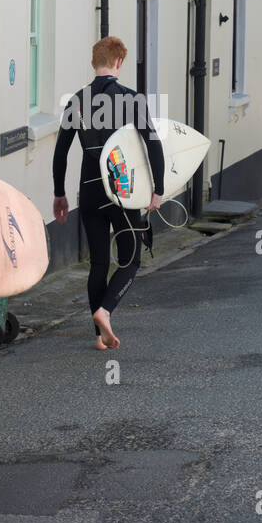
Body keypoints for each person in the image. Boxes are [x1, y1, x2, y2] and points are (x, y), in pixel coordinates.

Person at [53, 37, 165, 350]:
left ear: (94, 62)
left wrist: (59, 193)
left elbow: (60, 153)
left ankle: (99, 337)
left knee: (99, 263)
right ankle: (105, 310)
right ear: (119, 63)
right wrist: (158, 189)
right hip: (122, 191)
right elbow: (153, 144)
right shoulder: (132, 99)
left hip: (89, 192)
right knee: (130, 260)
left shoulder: (76, 101)